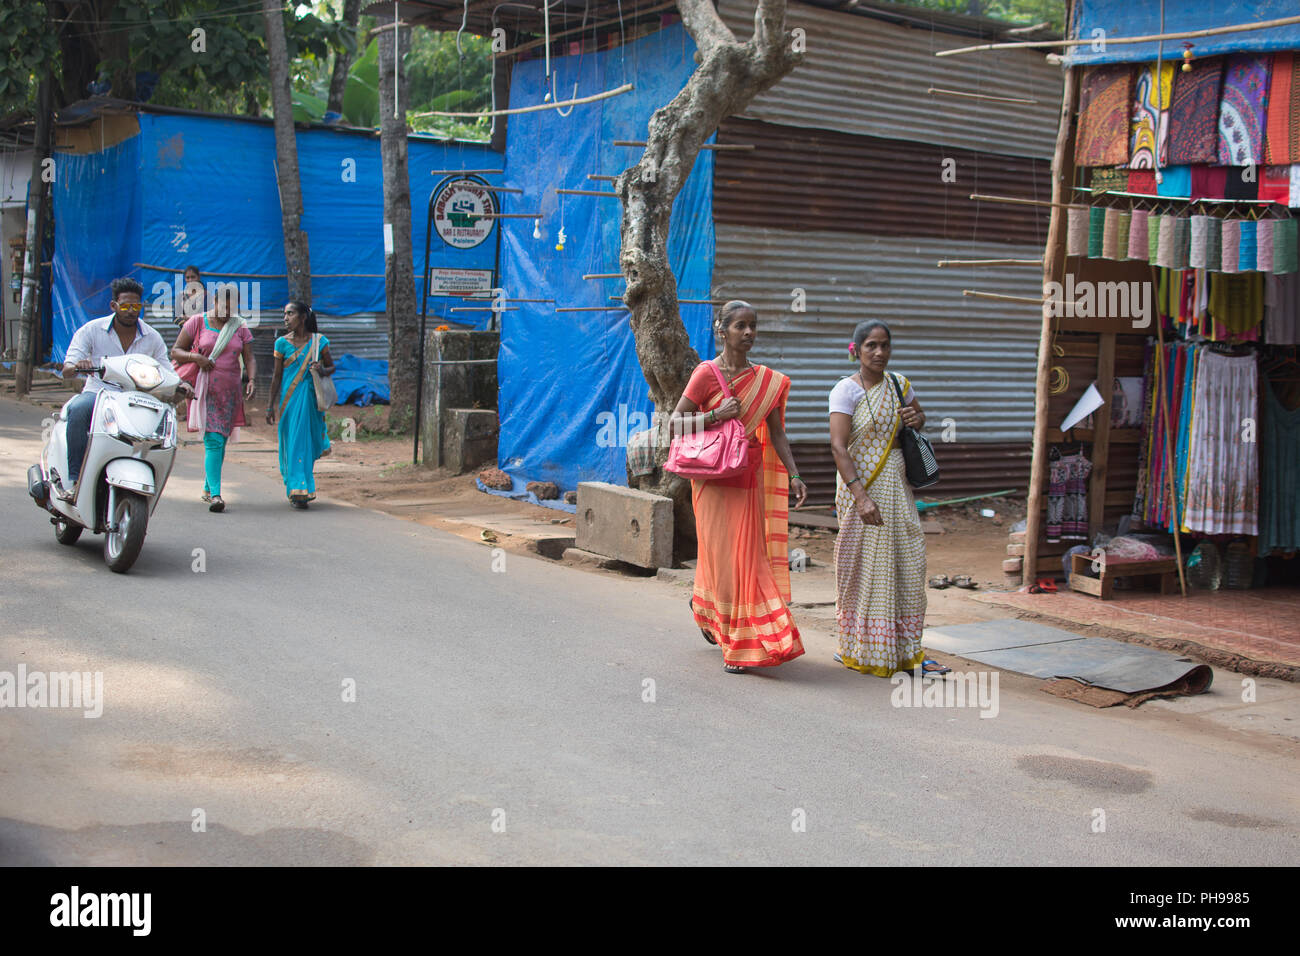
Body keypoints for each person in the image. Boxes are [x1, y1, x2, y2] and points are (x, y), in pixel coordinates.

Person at [670, 300, 808, 674]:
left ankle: (739, 635)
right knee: (720, 557)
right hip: (712, 482)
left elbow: (778, 433)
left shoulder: (767, 380)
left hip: (747, 478)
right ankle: (726, 629)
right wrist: (716, 415)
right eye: (740, 326)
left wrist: (795, 474)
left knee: (747, 559)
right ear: (723, 330)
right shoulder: (705, 374)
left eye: (753, 326)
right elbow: (675, 423)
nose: (748, 333)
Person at [829, 320, 945, 676]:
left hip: (896, 485)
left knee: (907, 564)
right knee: (863, 569)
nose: (879, 352)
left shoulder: (899, 384)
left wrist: (917, 417)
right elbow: (838, 446)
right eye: (871, 346)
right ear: (856, 350)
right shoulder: (846, 391)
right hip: (860, 489)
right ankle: (858, 646)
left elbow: (921, 418)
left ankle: (906, 649)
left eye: (884, 345)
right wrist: (862, 498)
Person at [58, 277, 173, 497]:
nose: (131, 311)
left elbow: (167, 370)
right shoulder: (91, 330)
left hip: (135, 399)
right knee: (79, 409)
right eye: (126, 306)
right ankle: (75, 480)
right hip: (98, 394)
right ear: (114, 306)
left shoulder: (152, 337)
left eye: (136, 306)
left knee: (161, 425)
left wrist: (181, 384)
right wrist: (78, 366)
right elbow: (67, 368)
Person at [171, 285, 254, 513]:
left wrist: (252, 379)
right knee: (214, 440)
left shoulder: (239, 326)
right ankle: (216, 495)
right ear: (214, 303)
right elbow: (176, 351)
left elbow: (249, 357)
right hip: (204, 389)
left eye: (231, 309)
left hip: (229, 392)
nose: (226, 313)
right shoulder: (197, 322)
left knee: (222, 438)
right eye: (222, 307)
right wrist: (196, 357)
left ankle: (208, 488)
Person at [265, 301, 333, 509]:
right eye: (284, 314)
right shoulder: (281, 344)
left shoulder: (319, 342)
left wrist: (321, 369)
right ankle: (298, 489)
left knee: (307, 442)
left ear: (303, 317)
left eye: (290, 314)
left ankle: (301, 487)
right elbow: (276, 377)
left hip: (311, 402)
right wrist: (269, 406)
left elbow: (331, 367)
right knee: (294, 443)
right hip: (289, 403)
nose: (285, 318)